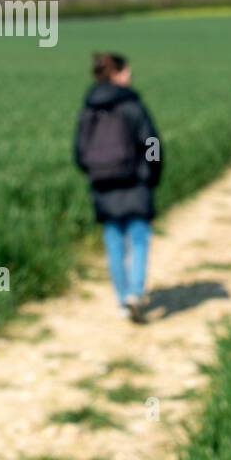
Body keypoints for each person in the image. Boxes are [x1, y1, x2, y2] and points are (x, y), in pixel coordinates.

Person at [74, 52, 163, 322]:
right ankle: (136, 292)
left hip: (103, 184)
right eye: (128, 72)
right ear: (118, 74)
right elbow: (152, 143)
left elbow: (79, 151)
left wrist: (96, 171)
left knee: (114, 242)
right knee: (139, 238)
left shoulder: (89, 108)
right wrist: (151, 173)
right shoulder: (132, 105)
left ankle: (123, 300)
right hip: (135, 182)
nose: (130, 77)